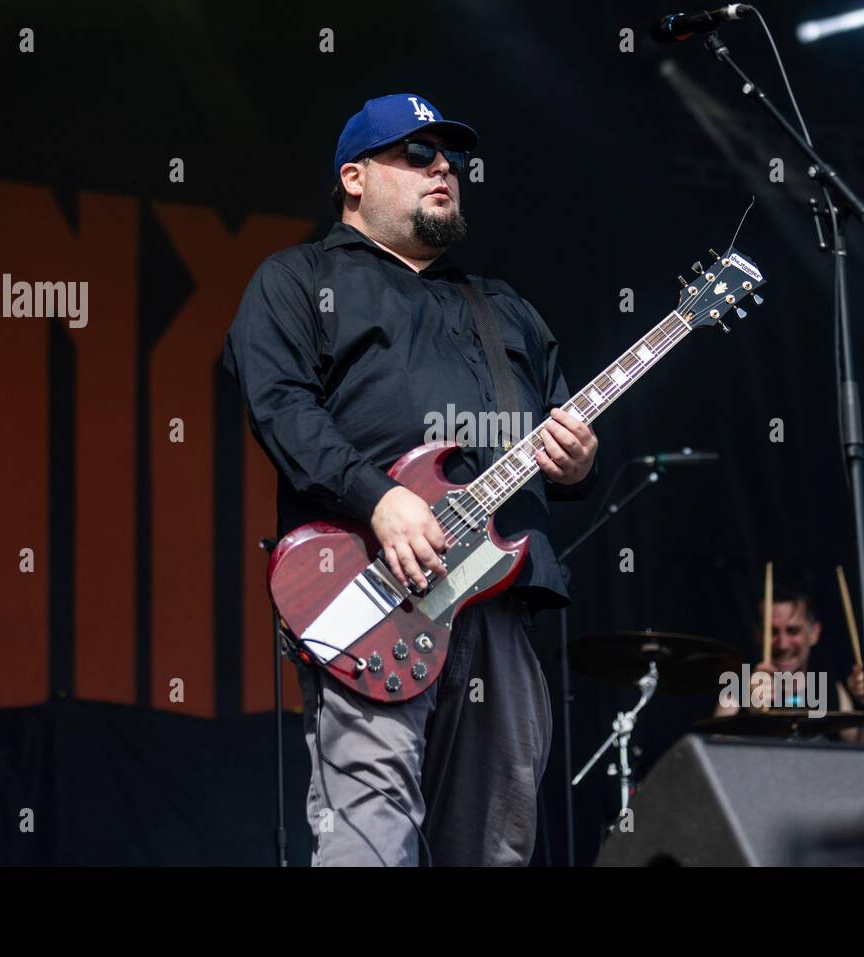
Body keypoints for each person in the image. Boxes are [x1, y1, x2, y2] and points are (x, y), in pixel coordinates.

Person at [223, 93, 598, 865]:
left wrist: (579, 462)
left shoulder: (504, 309)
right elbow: (281, 407)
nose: (444, 170)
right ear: (354, 178)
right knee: (370, 832)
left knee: (496, 845)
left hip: (499, 601)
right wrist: (381, 498)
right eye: (418, 154)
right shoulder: (298, 279)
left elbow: (564, 444)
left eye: (452, 159)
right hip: (373, 587)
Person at [715, 579, 864, 728]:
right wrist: (749, 713)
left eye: (793, 631)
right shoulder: (735, 692)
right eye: (772, 632)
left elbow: (860, 748)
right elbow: (714, 752)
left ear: (814, 633)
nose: (783, 644)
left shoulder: (829, 690)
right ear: (758, 635)